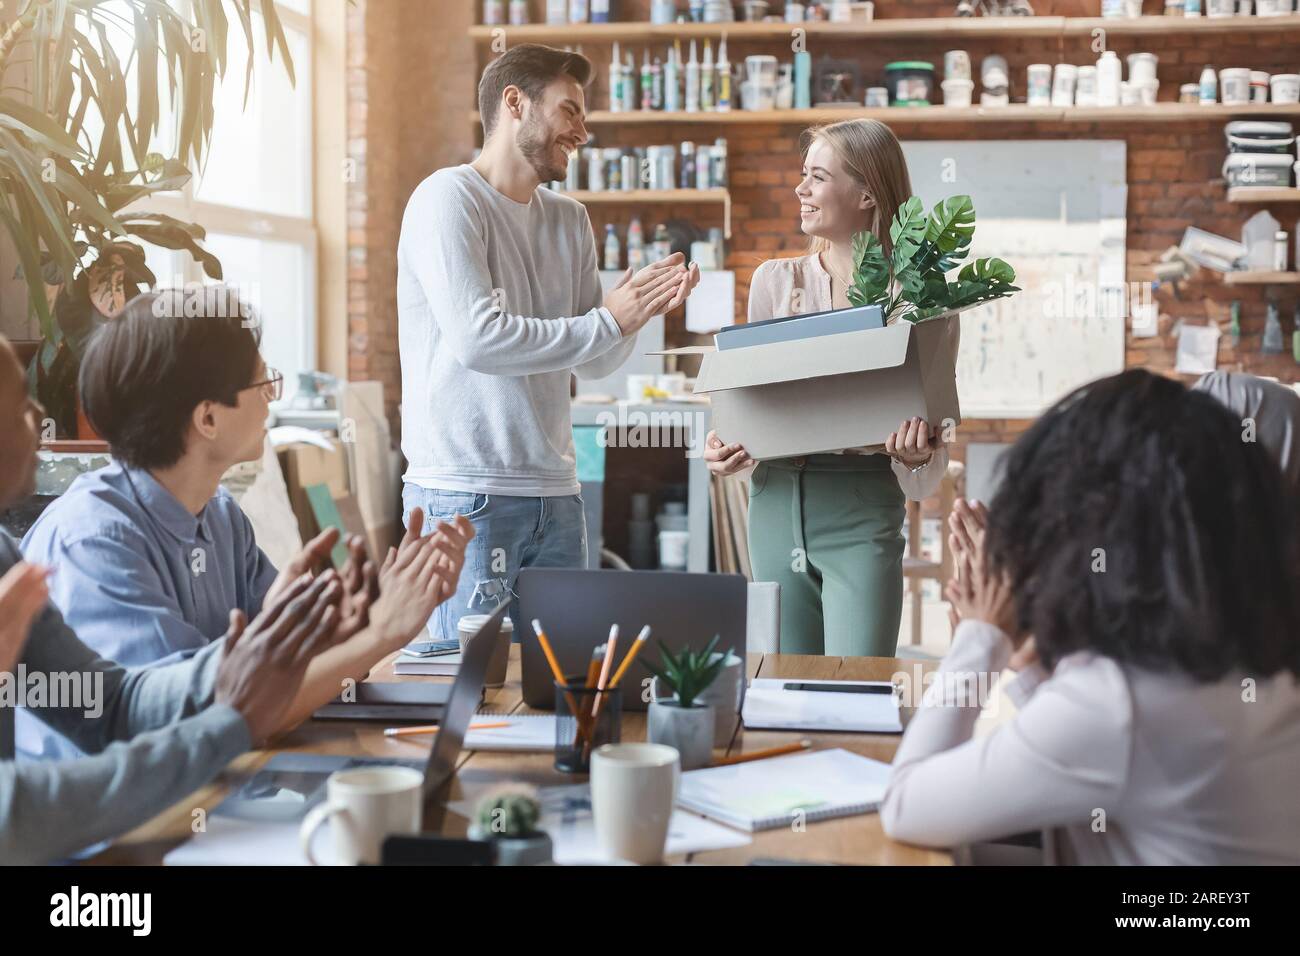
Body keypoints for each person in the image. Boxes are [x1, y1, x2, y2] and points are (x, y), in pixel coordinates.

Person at [21, 289, 473, 760]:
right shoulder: (93, 543)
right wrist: (381, 633)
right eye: (263, 384)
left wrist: (372, 609)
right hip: (121, 823)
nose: (272, 398)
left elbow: (292, 667)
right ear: (209, 417)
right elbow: (201, 723)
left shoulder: (221, 516)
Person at [881, 369, 1300, 864]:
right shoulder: (1246, 651)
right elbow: (1105, 763)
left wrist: (979, 637)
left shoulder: (1119, 702)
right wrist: (1022, 660)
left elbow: (906, 802)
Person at [0, 332, 351, 864]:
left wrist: (314, 624)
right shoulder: (90, 536)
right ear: (206, 419)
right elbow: (24, 812)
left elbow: (115, 706)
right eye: (19, 401)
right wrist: (248, 687)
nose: (39, 414)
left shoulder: (6, 559)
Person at [397, 43, 701, 640]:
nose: (582, 132)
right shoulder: (447, 199)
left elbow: (591, 362)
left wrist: (636, 311)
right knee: (469, 696)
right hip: (467, 495)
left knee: (560, 692)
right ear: (516, 104)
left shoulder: (569, 219)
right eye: (570, 111)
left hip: (558, 501)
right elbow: (478, 341)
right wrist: (608, 320)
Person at [704, 118, 953, 656]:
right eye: (803, 174)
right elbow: (755, 403)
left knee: (856, 691)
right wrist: (728, 449)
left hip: (861, 505)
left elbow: (937, 436)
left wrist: (915, 454)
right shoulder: (776, 282)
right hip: (773, 503)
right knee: (782, 688)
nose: (800, 189)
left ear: (867, 193)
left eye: (817, 176)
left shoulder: (917, 298)